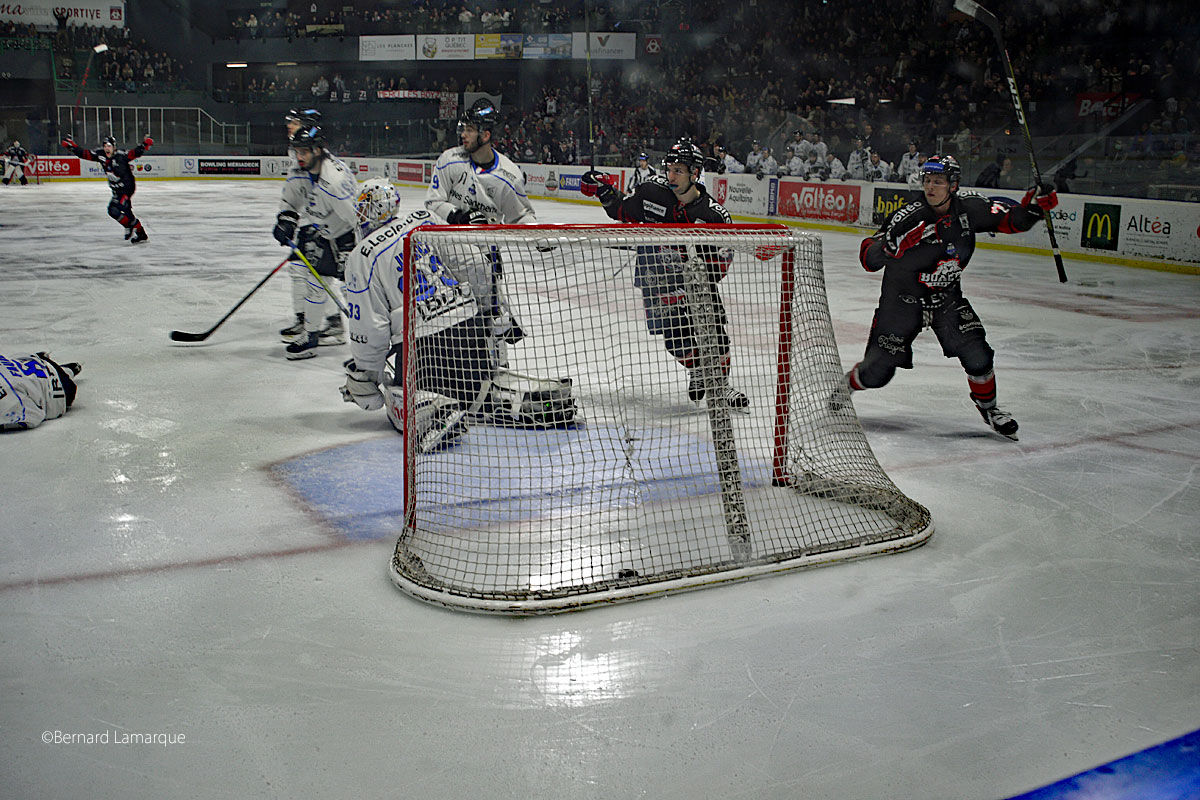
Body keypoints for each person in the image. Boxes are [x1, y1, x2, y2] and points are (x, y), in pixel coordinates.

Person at [842, 155, 1059, 440]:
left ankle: (990, 410)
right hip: (901, 303)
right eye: (927, 181)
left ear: (953, 185)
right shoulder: (909, 216)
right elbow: (867, 258)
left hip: (946, 298)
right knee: (877, 374)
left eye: (938, 181)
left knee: (978, 355)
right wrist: (888, 247)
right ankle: (846, 386)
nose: (930, 187)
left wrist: (1034, 209)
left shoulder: (970, 208)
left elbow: (1011, 220)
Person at [579, 138, 748, 408]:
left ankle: (722, 387)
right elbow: (622, 210)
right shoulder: (651, 192)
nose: (671, 176)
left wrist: (693, 274)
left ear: (695, 173)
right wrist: (604, 191)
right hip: (657, 279)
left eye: (678, 171)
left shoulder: (714, 215)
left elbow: (721, 264)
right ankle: (698, 369)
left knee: (716, 334)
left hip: (698, 283)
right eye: (669, 169)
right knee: (675, 341)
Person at [340, 178, 496, 452]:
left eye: (363, 208)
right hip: (470, 332)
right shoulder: (425, 219)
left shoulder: (362, 256)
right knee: (473, 392)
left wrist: (366, 377)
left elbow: (371, 327)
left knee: (394, 401)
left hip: (424, 348)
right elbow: (472, 264)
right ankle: (480, 394)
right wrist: (488, 311)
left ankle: (433, 411)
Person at [271, 124, 358, 360]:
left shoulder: (335, 182)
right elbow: (290, 201)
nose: (299, 156)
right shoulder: (298, 170)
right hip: (324, 233)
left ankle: (366, 344)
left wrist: (359, 250)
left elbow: (358, 219)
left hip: (348, 236)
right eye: (297, 151)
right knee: (315, 284)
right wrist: (286, 220)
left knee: (354, 291)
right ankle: (310, 336)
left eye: (304, 152)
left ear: (317, 150)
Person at [425, 98, 537, 226]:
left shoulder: (510, 176)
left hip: (487, 239)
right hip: (450, 237)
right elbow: (433, 202)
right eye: (463, 129)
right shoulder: (449, 160)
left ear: (485, 136)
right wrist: (458, 217)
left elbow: (521, 217)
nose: (463, 135)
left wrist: (536, 234)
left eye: (470, 130)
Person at [277, 108, 335, 345]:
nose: (289, 126)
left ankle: (325, 321)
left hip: (327, 226)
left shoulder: (322, 160)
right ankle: (312, 319)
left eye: (294, 122)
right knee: (303, 271)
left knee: (319, 275)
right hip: (311, 223)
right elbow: (294, 192)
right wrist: (287, 218)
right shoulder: (297, 153)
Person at [60, 133, 152, 243]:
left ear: (114, 147)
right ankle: (141, 233)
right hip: (116, 190)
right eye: (105, 146)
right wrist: (72, 146)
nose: (106, 148)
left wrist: (144, 145)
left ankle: (129, 226)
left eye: (109, 146)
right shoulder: (101, 155)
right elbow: (84, 154)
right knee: (126, 212)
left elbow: (134, 153)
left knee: (114, 209)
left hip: (127, 188)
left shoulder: (121, 155)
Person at [1, 352, 81, 430]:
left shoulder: (9, 402)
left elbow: (35, 416)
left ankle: (68, 370)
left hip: (57, 387)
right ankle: (65, 369)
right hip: (33, 361)